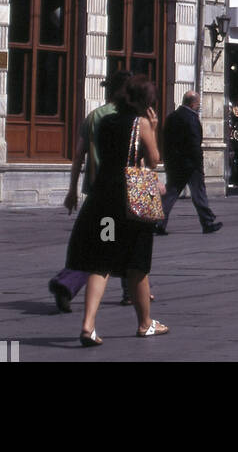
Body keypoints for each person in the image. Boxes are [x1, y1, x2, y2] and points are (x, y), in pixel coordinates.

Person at [64, 75, 168, 345]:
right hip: (131, 199)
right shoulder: (142, 123)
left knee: (101, 260)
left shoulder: (104, 121)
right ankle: (145, 324)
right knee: (137, 263)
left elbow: (90, 154)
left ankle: (88, 325)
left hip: (102, 197)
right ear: (146, 102)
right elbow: (154, 161)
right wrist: (154, 129)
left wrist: (73, 189)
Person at [50, 70, 131, 314]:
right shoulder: (130, 119)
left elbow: (78, 156)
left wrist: (72, 190)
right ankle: (69, 283)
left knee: (97, 241)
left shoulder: (94, 116)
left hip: (96, 191)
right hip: (120, 193)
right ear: (124, 91)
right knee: (115, 242)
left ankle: (130, 289)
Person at [157, 91, 223, 236]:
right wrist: (199, 164)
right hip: (191, 164)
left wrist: (168, 161)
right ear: (193, 103)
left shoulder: (172, 117)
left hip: (174, 163)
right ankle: (207, 222)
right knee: (198, 192)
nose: (198, 106)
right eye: (198, 104)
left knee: (171, 193)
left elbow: (166, 142)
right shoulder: (191, 119)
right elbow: (194, 144)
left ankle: (159, 222)